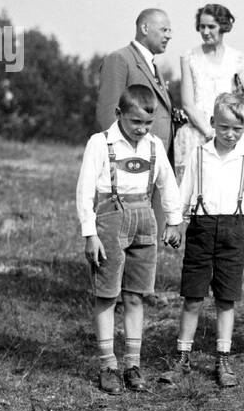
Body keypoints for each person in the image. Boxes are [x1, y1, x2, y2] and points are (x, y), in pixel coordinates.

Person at [76, 85, 183, 394]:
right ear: (119, 114)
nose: (142, 129)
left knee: (136, 296)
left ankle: (132, 364)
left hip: (145, 220)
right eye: (136, 122)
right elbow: (84, 192)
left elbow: (168, 184)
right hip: (109, 220)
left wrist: (174, 221)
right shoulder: (100, 143)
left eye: (148, 123)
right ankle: (108, 364)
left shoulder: (154, 146)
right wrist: (90, 233)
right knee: (107, 295)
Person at [171, 93, 244, 389]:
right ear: (212, 123)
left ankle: (223, 358)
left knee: (226, 299)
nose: (230, 134)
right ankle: (182, 357)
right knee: (193, 297)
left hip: (233, 230)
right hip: (201, 228)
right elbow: (184, 191)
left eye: (237, 129)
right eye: (224, 127)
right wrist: (176, 223)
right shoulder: (199, 154)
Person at [175, 3, 244, 183]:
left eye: (211, 26)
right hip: (197, 133)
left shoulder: (237, 58)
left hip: (230, 133)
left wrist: (227, 132)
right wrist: (210, 133)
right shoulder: (189, 57)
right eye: (202, 26)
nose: (206, 31)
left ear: (223, 27)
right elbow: (187, 104)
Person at [95, 9, 175, 156]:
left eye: (170, 31)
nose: (169, 36)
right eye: (164, 30)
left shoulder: (154, 66)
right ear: (145, 28)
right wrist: (121, 156)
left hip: (154, 159)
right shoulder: (119, 59)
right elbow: (108, 113)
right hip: (130, 161)